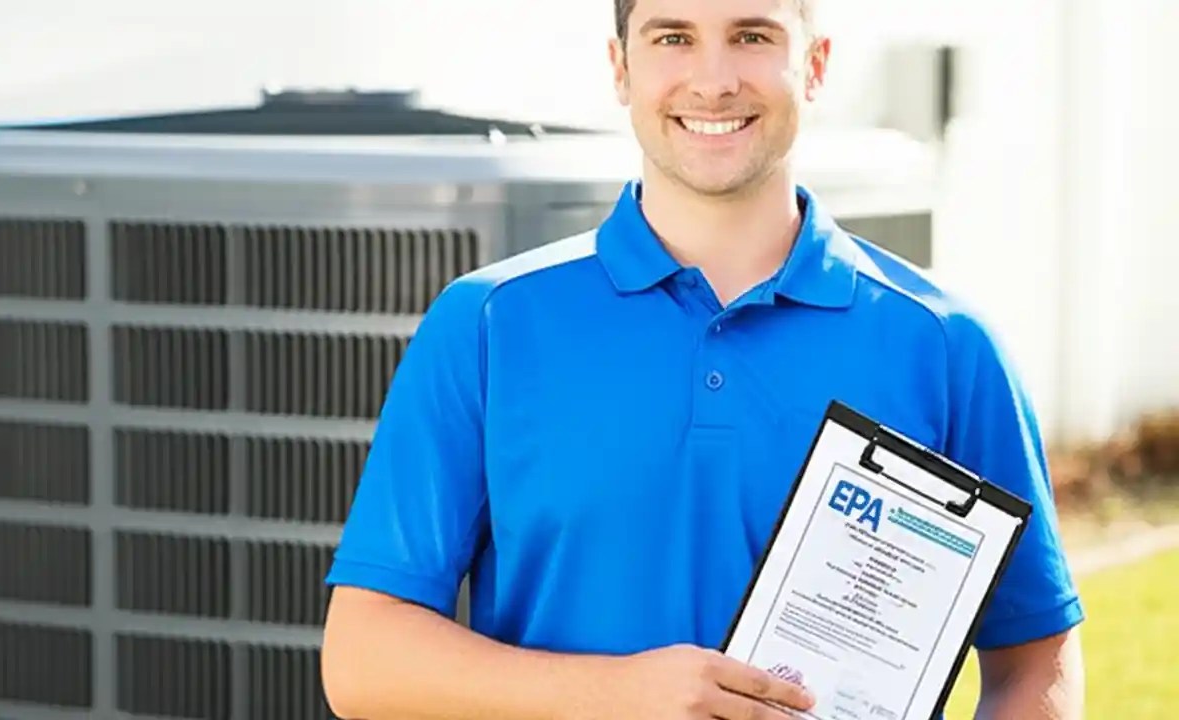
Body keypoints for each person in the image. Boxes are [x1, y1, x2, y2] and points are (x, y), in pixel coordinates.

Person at [319, 0, 1086, 717]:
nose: (714, 81)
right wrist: (613, 695)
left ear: (815, 65)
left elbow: (1035, 662)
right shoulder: (488, 323)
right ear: (621, 68)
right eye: (673, 37)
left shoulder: (947, 346)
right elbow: (364, 658)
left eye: (751, 35)